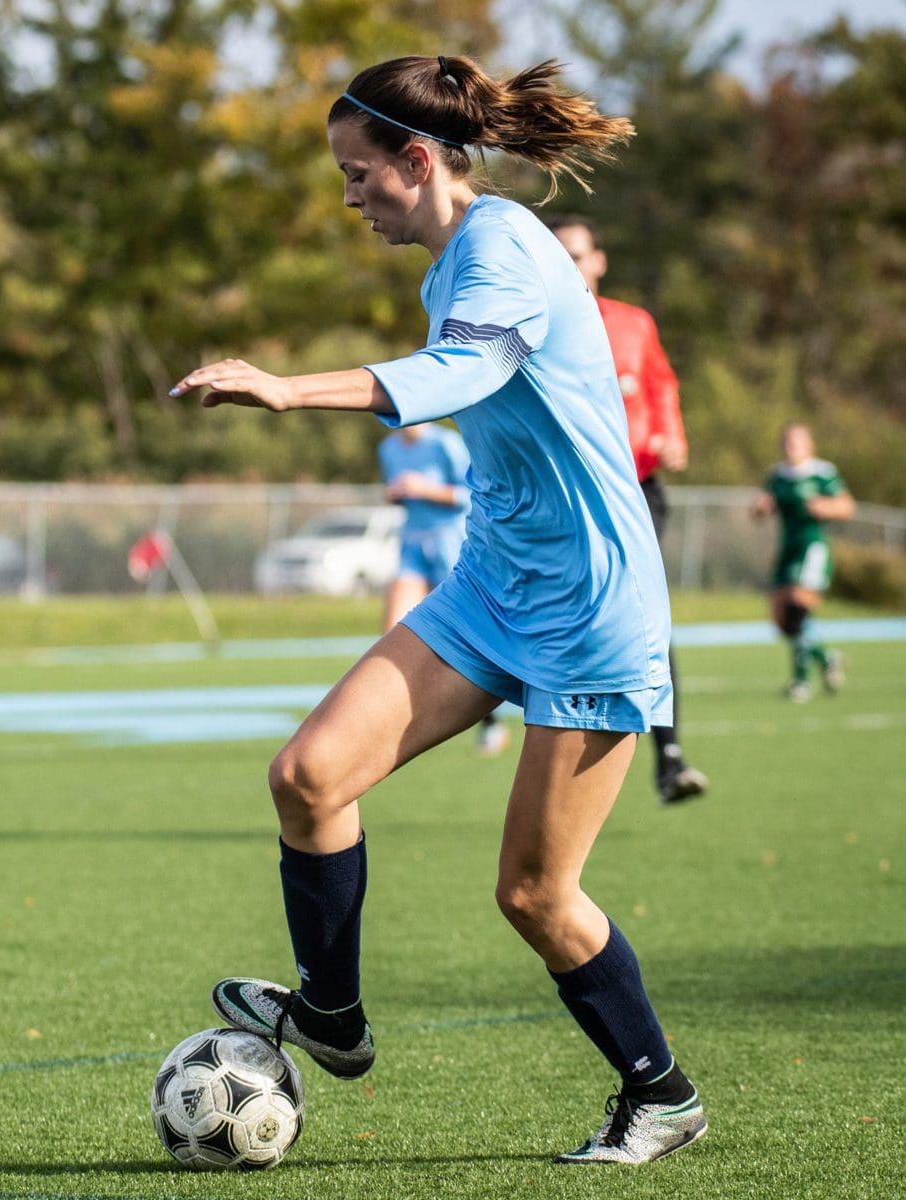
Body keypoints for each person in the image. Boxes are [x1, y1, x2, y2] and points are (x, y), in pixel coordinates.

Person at [171, 54, 705, 1164]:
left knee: (535, 895)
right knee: (308, 778)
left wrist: (288, 386)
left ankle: (662, 1095)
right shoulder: (450, 262)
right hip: (492, 585)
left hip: (590, 605)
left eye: (357, 173)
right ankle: (332, 1014)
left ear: (417, 160)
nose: (349, 196)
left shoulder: (504, 246)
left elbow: (463, 371)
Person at [547, 214, 708, 806]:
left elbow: (661, 385)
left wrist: (673, 436)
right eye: (557, 255)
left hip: (638, 491)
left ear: (599, 260)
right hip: (568, 497)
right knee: (568, 616)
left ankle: (669, 755)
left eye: (577, 254)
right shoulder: (534, 324)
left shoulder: (634, 324)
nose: (569, 265)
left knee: (642, 614)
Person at [378, 423, 509, 756]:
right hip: (412, 545)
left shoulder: (446, 444)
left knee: (467, 634)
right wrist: (396, 494)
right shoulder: (388, 448)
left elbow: (473, 494)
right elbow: (400, 497)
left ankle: (491, 723)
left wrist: (426, 489)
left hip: (450, 543)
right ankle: (395, 722)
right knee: (391, 633)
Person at [752, 422, 855, 701]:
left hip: (812, 548)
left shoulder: (822, 473)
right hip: (787, 550)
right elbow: (760, 509)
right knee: (783, 621)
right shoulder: (777, 476)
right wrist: (761, 508)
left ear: (810, 445)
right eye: (787, 441)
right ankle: (827, 658)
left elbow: (847, 506)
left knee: (797, 609)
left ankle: (801, 682)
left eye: (797, 441)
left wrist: (827, 507)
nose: (791, 446)